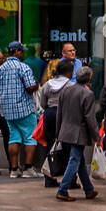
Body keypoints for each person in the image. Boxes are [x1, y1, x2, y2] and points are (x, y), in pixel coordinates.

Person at [55, 66, 100, 202]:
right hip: (78, 133)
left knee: (79, 162)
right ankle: (62, 189)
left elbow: (59, 113)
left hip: (65, 131)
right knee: (74, 161)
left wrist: (58, 132)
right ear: (89, 79)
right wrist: (97, 136)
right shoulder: (88, 94)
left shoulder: (65, 90)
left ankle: (89, 190)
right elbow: (90, 118)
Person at [0, 41, 39, 178]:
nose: (23, 54)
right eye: (22, 51)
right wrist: (37, 84)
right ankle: (28, 168)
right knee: (30, 137)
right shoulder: (23, 67)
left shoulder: (1, 69)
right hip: (24, 108)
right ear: (17, 52)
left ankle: (14, 169)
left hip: (7, 110)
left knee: (13, 138)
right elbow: (30, 87)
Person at [36, 58, 75, 187]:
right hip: (65, 115)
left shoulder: (48, 84)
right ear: (69, 72)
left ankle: (49, 178)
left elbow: (42, 102)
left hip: (50, 114)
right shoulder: (70, 85)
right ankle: (69, 180)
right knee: (68, 147)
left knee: (50, 146)